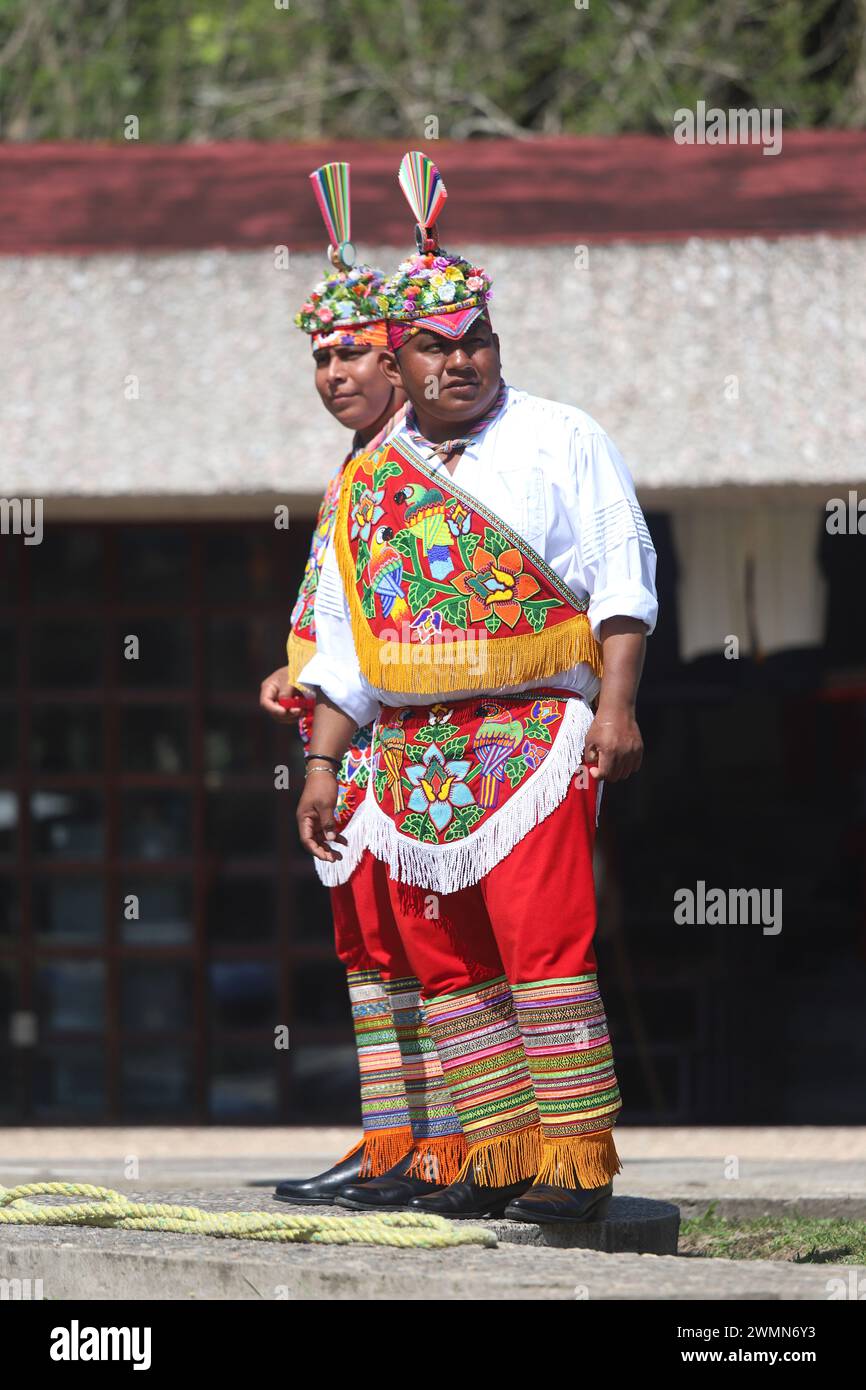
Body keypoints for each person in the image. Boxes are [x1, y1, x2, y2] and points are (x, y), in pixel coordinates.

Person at [295, 153, 659, 1223]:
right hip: (406, 751)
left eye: (476, 342)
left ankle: (573, 1164)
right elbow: (342, 643)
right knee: (446, 962)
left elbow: (620, 577)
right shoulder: (369, 481)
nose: (458, 362)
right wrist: (322, 764)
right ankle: (491, 1157)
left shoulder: (557, 436)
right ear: (398, 361)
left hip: (532, 733)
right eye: (434, 347)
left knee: (543, 946)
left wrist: (618, 704)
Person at [264, 163, 467, 1206]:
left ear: (399, 362)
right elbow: (338, 606)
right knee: (369, 949)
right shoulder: (357, 466)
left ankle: (447, 1147)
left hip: (420, 739)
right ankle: (391, 1138)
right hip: (350, 737)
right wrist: (294, 672)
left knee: (424, 943)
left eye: (350, 352)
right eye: (318, 357)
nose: (331, 372)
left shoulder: (427, 461)